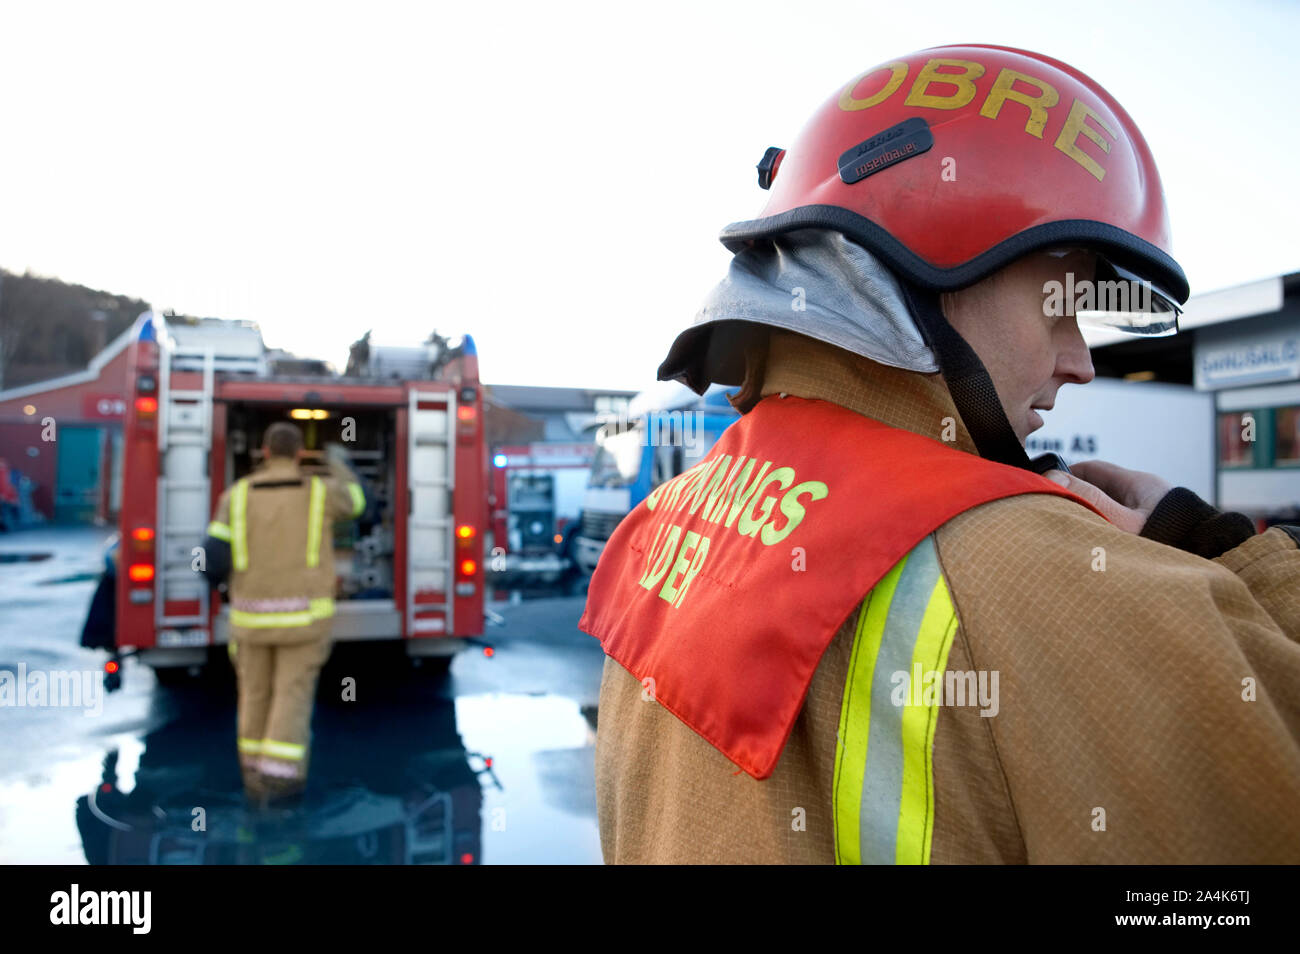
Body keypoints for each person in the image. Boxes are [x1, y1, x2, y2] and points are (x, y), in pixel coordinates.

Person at [580, 44, 1300, 864]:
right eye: (1060, 305)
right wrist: (1229, 560)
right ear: (928, 262)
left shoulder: (660, 527)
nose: (1082, 361)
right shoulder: (1051, 576)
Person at [205, 422, 365, 805]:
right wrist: (339, 462)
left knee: (254, 695)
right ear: (298, 455)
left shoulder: (236, 496)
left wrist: (233, 590)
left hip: (248, 623)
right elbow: (358, 503)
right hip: (304, 623)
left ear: (263, 451)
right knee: (290, 698)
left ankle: (251, 776)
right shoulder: (320, 493)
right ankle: (279, 787)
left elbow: (211, 559)